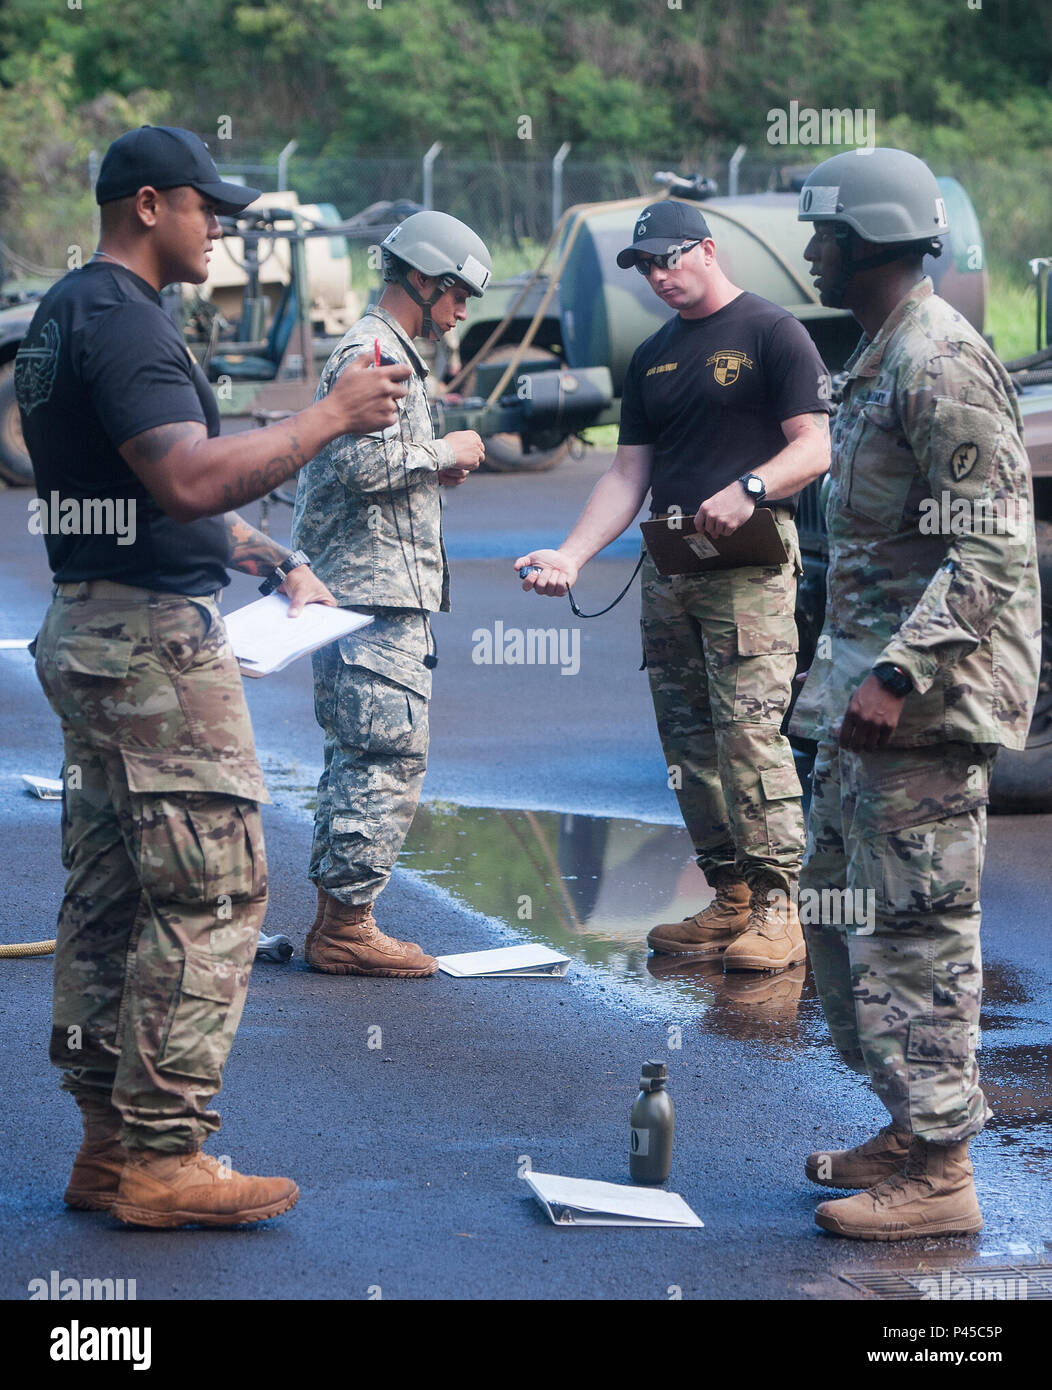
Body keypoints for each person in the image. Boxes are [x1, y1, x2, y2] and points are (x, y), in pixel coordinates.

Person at [16, 125, 410, 1228]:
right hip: (150, 652)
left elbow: (143, 490)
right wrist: (329, 415)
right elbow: (184, 476)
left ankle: (107, 1146)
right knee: (214, 890)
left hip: (92, 626)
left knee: (112, 896)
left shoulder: (68, 311)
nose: (221, 228)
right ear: (149, 204)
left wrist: (269, 553)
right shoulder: (127, 321)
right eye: (208, 208)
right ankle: (164, 1154)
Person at [792, 148, 1041, 1239]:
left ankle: (940, 1171)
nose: (809, 248)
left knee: (917, 926)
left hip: (921, 704)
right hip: (862, 694)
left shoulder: (937, 359)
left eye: (822, 233)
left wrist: (899, 671)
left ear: (866, 241)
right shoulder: (878, 353)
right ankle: (905, 1117)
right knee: (836, 907)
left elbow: (986, 552)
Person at [516, 200, 830, 970]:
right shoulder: (653, 355)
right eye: (647, 266)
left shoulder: (771, 331)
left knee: (751, 738)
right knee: (688, 747)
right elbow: (629, 475)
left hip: (751, 566)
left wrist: (751, 486)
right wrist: (574, 556)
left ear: (708, 250)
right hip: (672, 567)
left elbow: (816, 445)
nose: (658, 276)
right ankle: (729, 898)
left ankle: (778, 910)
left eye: (669, 259)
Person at [291, 211, 490, 977]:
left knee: (364, 750)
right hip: (368, 591)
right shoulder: (374, 350)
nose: (462, 311)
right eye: (457, 295)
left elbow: (366, 458)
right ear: (426, 282)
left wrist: (426, 462)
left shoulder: (383, 347)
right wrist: (446, 448)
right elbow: (357, 466)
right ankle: (345, 928)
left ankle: (339, 918)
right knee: (386, 752)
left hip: (366, 586)